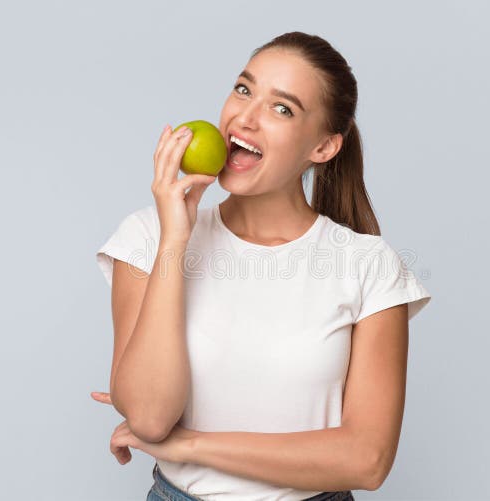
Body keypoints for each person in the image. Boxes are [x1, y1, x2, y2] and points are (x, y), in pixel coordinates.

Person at [92, 31, 432, 500]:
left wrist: (190, 445)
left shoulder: (369, 266)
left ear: (324, 148)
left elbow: (367, 460)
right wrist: (175, 238)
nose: (245, 118)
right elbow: (149, 417)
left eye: (282, 108)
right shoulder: (148, 237)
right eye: (244, 89)